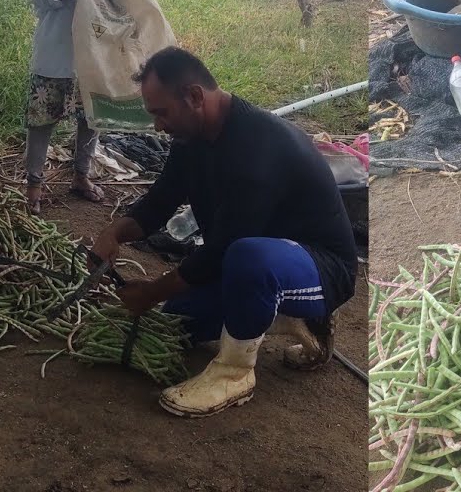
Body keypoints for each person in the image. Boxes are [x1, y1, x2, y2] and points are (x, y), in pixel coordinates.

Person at [90, 46, 358, 419]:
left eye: (161, 113)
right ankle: (291, 321)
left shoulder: (259, 146)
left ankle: (234, 375)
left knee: (246, 255)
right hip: (251, 263)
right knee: (179, 320)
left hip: (319, 267)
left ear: (195, 96)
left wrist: (150, 293)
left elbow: (221, 250)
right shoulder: (192, 139)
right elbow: (160, 201)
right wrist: (114, 233)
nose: (158, 126)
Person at [22, 0, 125, 214]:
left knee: (90, 117)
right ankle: (34, 185)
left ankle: (81, 175)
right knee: (42, 120)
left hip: (93, 54)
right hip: (56, 52)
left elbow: (120, 1)